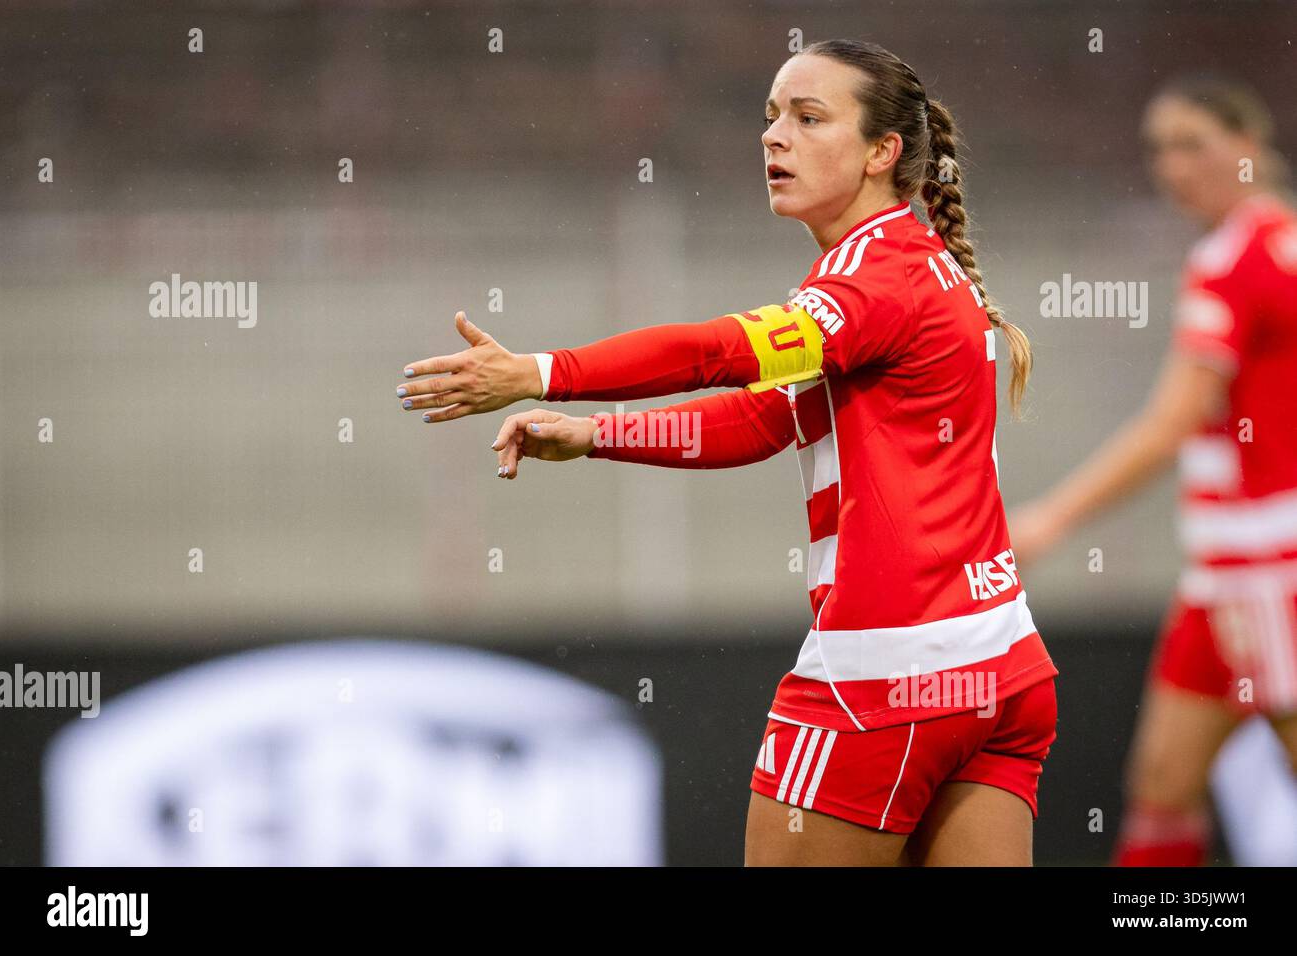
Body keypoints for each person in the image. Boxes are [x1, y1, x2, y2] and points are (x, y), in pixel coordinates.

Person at [397, 39, 1058, 866]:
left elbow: (720, 351)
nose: (774, 136)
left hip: (887, 679)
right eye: (772, 115)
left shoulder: (872, 279)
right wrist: (601, 435)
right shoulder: (913, 269)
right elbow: (761, 420)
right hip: (999, 667)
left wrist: (540, 373)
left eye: (809, 118)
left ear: (883, 152)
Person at [1010, 75, 1297, 866]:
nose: (1172, 167)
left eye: (1192, 145)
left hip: (1271, 573)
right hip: (1222, 577)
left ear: (1248, 144)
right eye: (1158, 150)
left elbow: (1171, 424)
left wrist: (1049, 519)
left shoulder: (1234, 262)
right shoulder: (1277, 244)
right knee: (1164, 783)